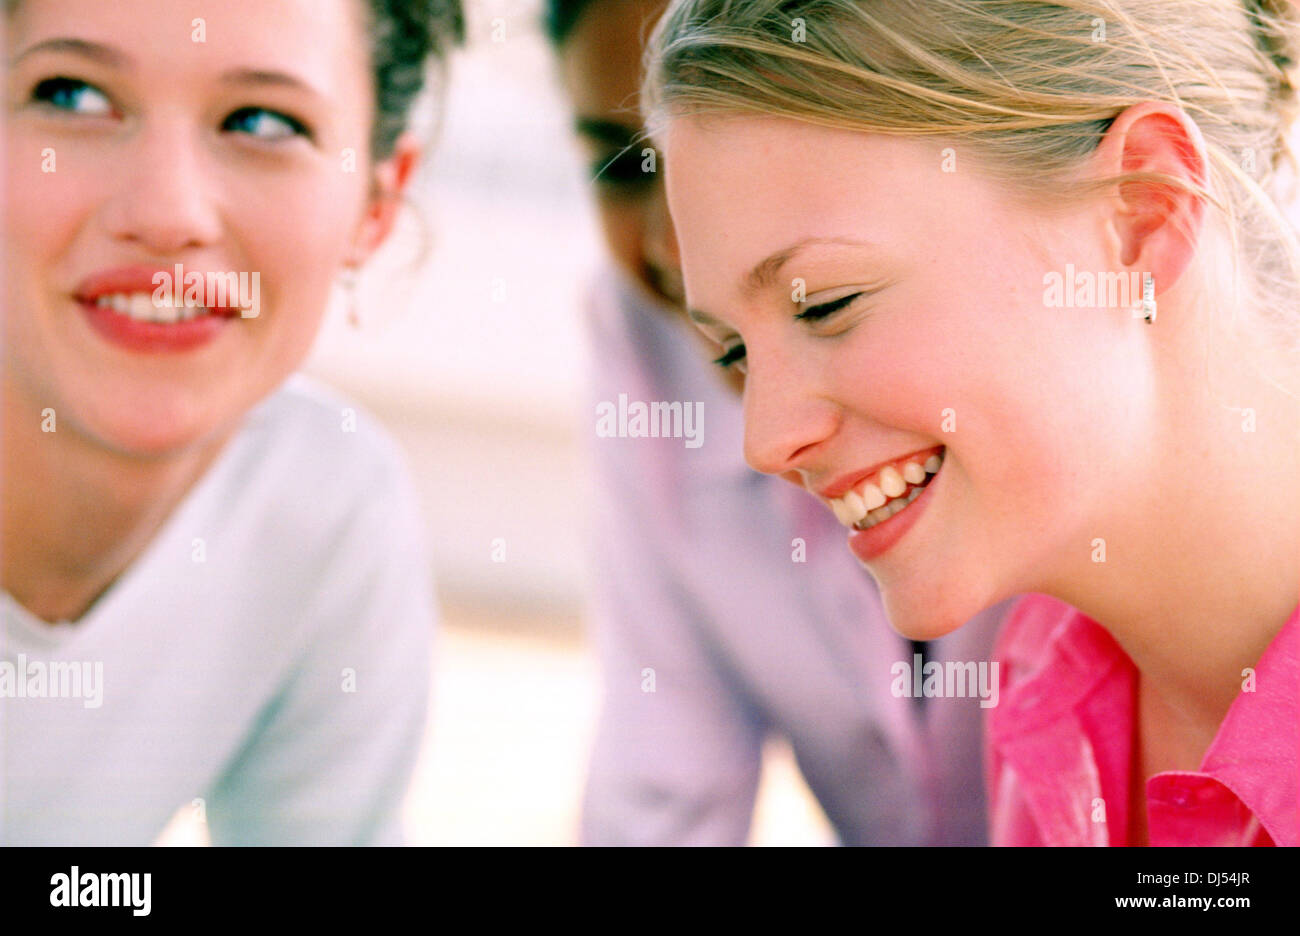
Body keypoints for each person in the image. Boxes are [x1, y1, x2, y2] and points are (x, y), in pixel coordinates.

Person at [644, 0, 1300, 846]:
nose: (767, 441)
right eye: (737, 353)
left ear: (1143, 209)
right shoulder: (1043, 686)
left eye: (829, 305)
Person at [549, 0, 1011, 845]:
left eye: (737, 133)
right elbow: (662, 796)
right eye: (625, 168)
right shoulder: (642, 346)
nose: (677, 246)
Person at [1, 0, 462, 845]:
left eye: (263, 122)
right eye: (72, 95)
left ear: (377, 204)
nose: (167, 213)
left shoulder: (326, 508)